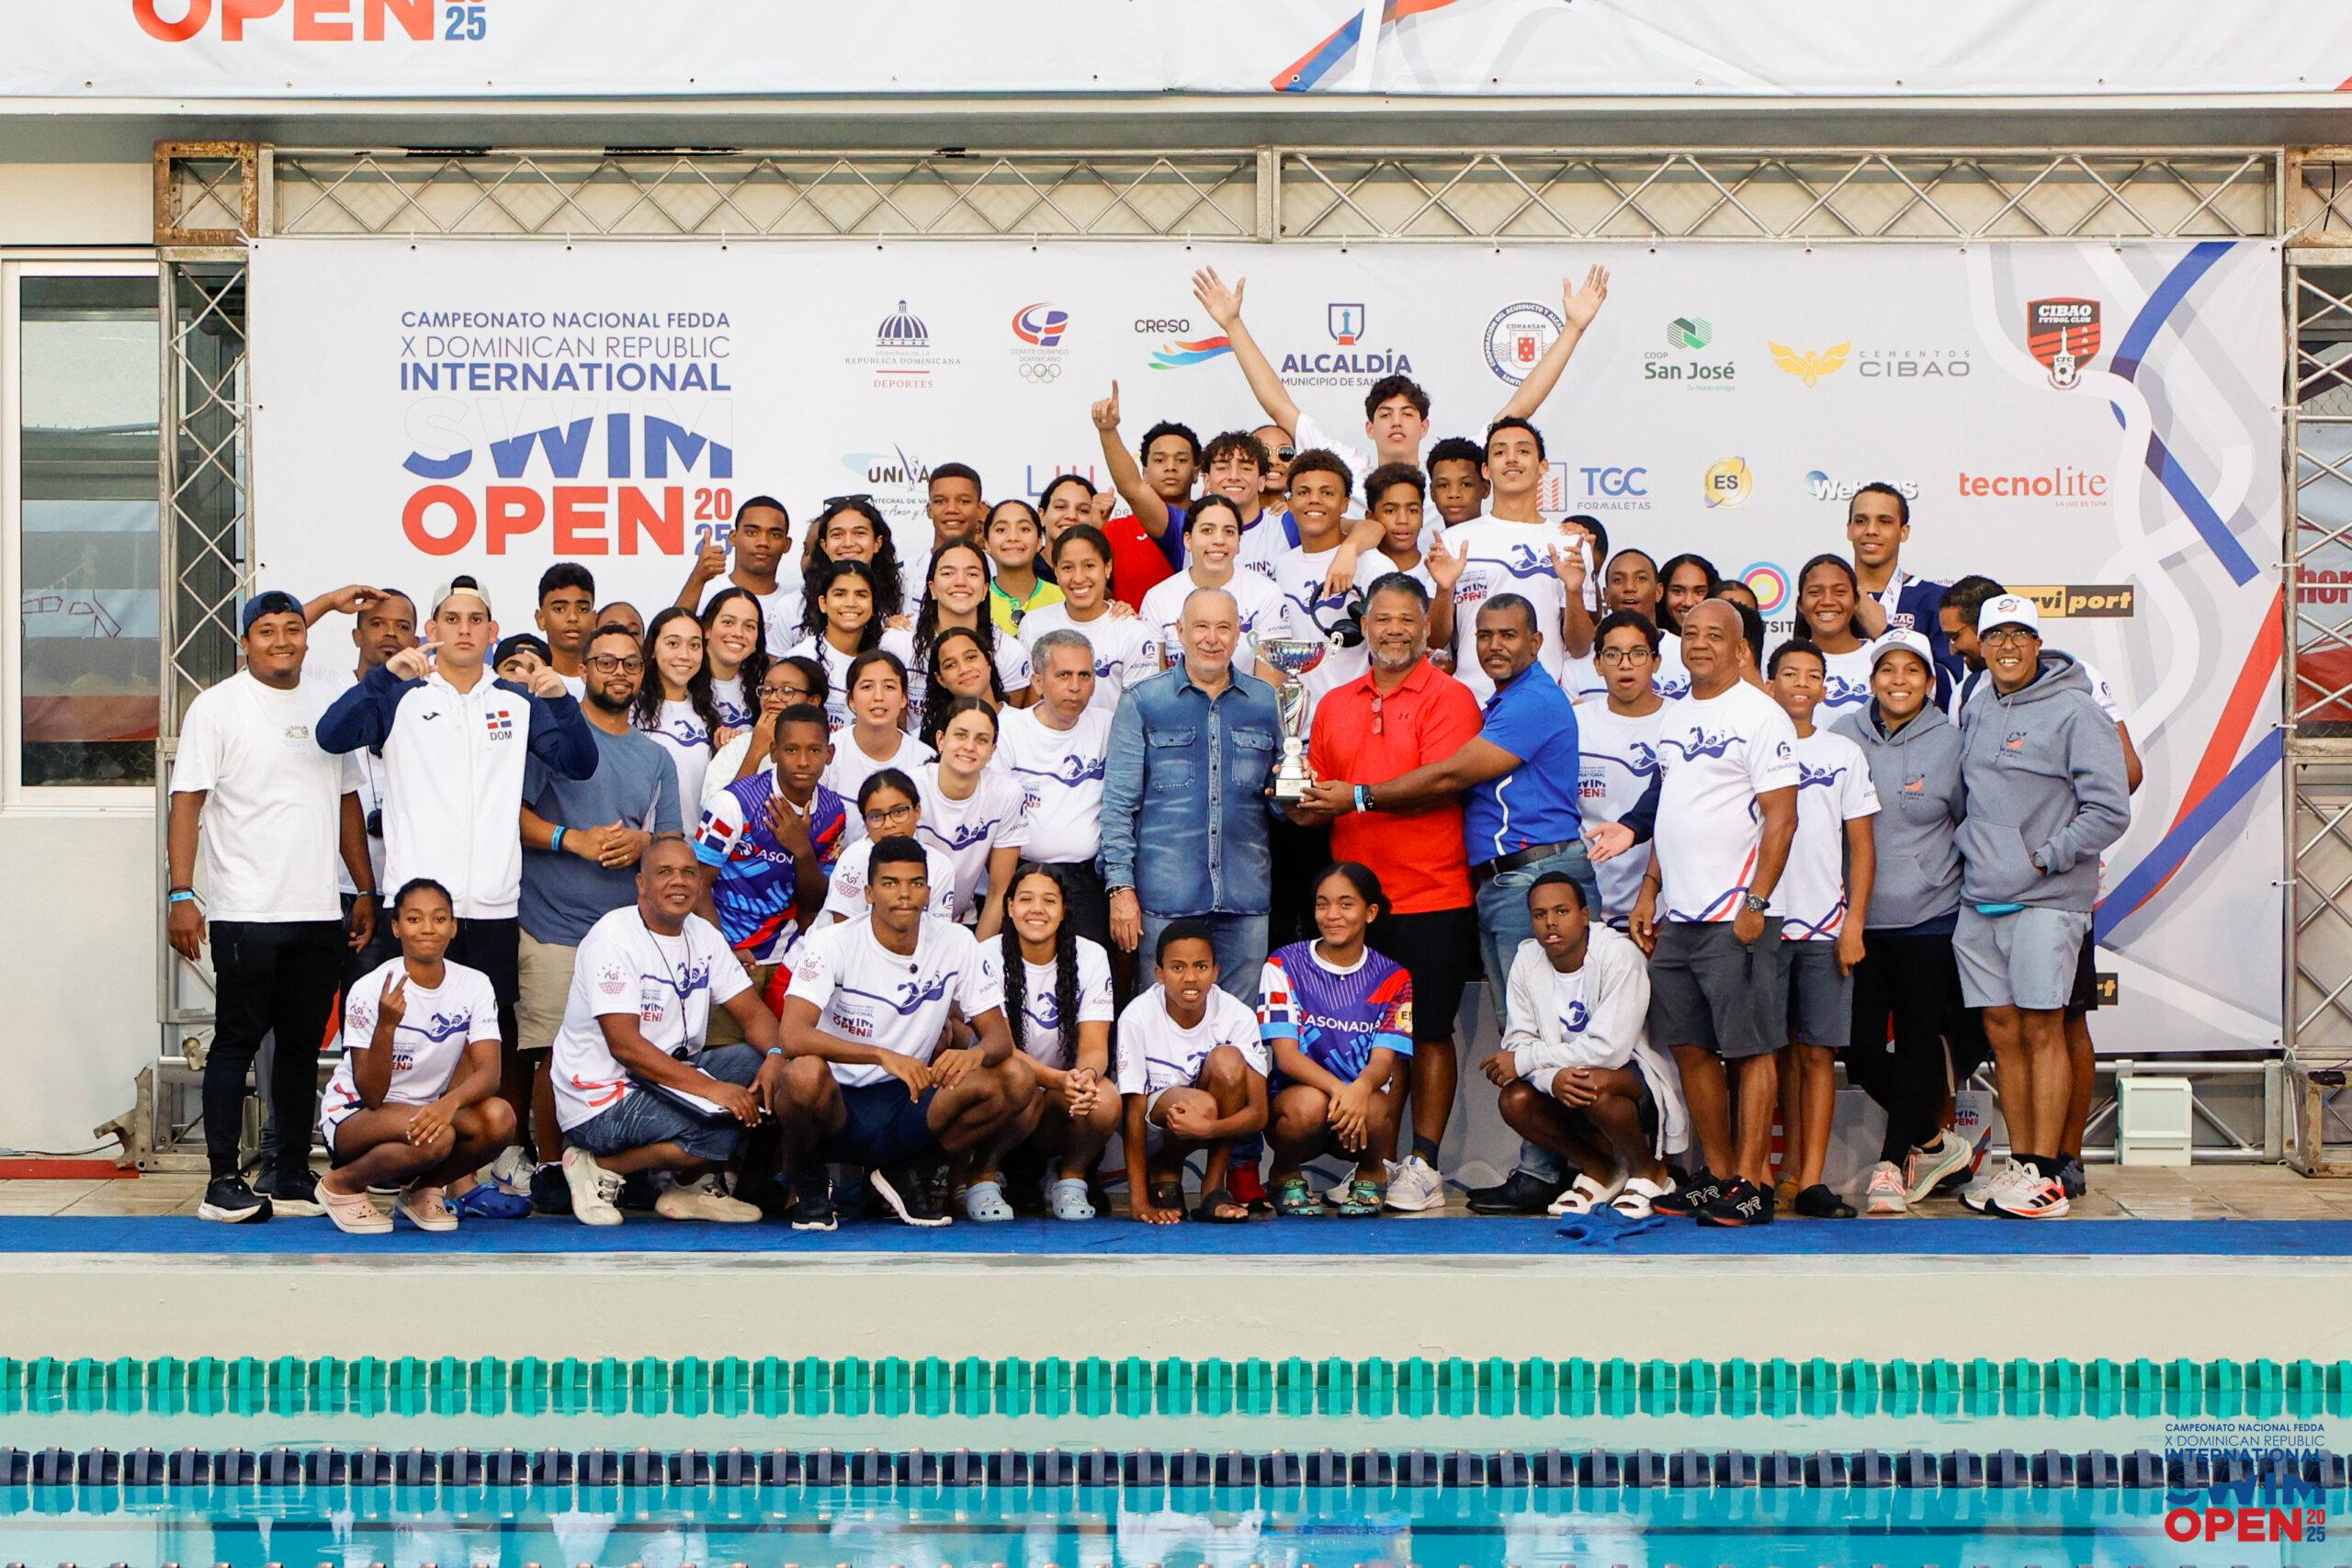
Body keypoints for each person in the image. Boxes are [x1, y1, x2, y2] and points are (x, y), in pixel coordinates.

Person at [318, 575, 599, 1155]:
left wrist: (561, 702)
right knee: (406, 1042)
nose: (464, 629)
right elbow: (330, 735)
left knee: (482, 1044)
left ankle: (470, 1167)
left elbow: (580, 763)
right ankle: (390, 1153)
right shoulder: (402, 696)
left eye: (476, 620)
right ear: (434, 631)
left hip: (493, 907)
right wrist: (382, 680)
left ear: (493, 633)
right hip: (419, 910)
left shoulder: (515, 701)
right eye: (452, 619)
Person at [169, 591, 376, 1223]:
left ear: (307, 639)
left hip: (317, 907)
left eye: (293, 628)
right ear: (245, 642)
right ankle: (222, 1181)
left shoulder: (325, 701)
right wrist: (181, 893)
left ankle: (290, 1172)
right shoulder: (217, 706)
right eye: (266, 631)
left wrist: (365, 888)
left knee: (299, 1048)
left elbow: (346, 802)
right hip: (245, 909)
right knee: (235, 1043)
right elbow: (187, 801)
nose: (282, 639)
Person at [1941, 572, 2143, 1201]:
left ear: (2036, 642)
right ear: (1982, 641)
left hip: (2047, 898)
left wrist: (2044, 858)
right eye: (1995, 633)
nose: (2006, 645)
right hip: (1980, 899)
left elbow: (2111, 807)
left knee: (2043, 1028)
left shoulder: (2077, 709)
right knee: (2003, 1031)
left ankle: (2047, 1170)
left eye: (2018, 634)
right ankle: (2019, 1164)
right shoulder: (1976, 700)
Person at [1287, 576, 1483, 1214]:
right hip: (1356, 907)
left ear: (1427, 629)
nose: (1394, 629)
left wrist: (1359, 797)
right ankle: (1380, 1161)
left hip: (1430, 892)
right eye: (1383, 619)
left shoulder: (1450, 696)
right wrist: (1301, 803)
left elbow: (1442, 782)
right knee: (1377, 1039)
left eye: (1407, 619)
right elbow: (1324, 800)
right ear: (1364, 627)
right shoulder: (1335, 700)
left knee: (1427, 1031)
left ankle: (1423, 1164)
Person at [1606, 599, 1800, 1227]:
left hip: (1738, 911)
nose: (1700, 644)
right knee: (1690, 1046)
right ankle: (1716, 1173)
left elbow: (1782, 816)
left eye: (1715, 635)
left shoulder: (1761, 714)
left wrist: (1757, 901)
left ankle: (1750, 1182)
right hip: (1680, 913)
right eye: (1690, 633)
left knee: (1750, 1050)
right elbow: (1672, 813)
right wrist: (1648, 890)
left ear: (1740, 647)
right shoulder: (1677, 714)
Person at [771, 835, 1035, 1229]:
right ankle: (809, 1181)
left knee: (1017, 1077)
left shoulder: (956, 941)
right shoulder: (832, 942)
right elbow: (791, 1036)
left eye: (915, 883)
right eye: (890, 883)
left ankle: (910, 1171)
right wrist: (880, 1054)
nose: (904, 895)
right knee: (802, 1073)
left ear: (929, 891)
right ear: (869, 892)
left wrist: (973, 1055)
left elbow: (999, 1038)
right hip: (838, 1103)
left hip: (909, 1100)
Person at [508, 621, 684, 1213]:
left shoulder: (656, 756)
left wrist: (643, 845)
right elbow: (513, 818)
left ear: (643, 674)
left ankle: (608, 1168)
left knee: (624, 1054)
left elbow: (673, 842)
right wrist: (571, 839)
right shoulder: (550, 733)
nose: (619, 673)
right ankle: (555, 1170)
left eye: (630, 664)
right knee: (552, 1053)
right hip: (552, 925)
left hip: (628, 938)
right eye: (605, 662)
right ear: (582, 669)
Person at [1188, 264, 1610, 510]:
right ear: (1369, 428)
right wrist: (1232, 324)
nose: (1396, 423)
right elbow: (1277, 403)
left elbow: (1521, 406)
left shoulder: (1453, 472)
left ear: (1424, 427)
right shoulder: (1346, 468)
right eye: (1385, 415)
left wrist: (1573, 328)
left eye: (1408, 414)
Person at [549, 836, 787, 1226]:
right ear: (641, 884)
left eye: (688, 873)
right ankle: (598, 1165)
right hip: (603, 1095)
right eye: (665, 873)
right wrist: (711, 1089)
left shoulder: (703, 934)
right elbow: (625, 1046)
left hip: (669, 1078)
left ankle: (688, 1188)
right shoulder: (613, 938)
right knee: (719, 1130)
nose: (679, 881)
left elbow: (754, 1014)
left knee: (768, 1069)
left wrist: (777, 1058)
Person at [1833, 629, 1976, 1216]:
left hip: (1929, 919)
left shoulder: (1953, 742)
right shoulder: (1840, 735)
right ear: (1871, 680)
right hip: (1856, 920)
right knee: (1860, 1050)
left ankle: (1892, 1166)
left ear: (1930, 680)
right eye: (1887, 670)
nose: (1899, 681)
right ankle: (1936, 1142)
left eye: (1912, 670)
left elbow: (1967, 825)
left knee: (1918, 1042)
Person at [1102, 587, 1283, 997]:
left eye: (1224, 628)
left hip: (1245, 900)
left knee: (1238, 1030)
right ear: (1180, 632)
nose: (1212, 638)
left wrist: (1297, 787)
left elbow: (1280, 807)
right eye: (1200, 626)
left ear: (1240, 635)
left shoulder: (1267, 702)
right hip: (1166, 900)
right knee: (1163, 1030)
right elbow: (1117, 807)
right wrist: (1120, 888)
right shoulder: (1143, 702)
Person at [317, 878, 517, 1234]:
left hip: (427, 1111)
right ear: (395, 927)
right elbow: (372, 1096)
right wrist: (386, 1027)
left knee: (500, 1118)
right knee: (436, 1138)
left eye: (440, 919)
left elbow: (490, 1073)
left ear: (454, 927)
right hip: (356, 1116)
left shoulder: (475, 984)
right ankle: (340, 1184)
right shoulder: (369, 988)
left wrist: (447, 1105)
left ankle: (422, 1190)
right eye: (414, 919)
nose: (428, 928)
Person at [1482, 873, 1686, 1218]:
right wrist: (1551, 1078)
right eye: (1539, 914)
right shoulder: (1526, 958)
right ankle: (1601, 1169)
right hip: (1566, 1081)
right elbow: (1518, 1041)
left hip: (1634, 1081)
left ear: (1585, 914)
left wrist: (1531, 1062)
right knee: (1514, 1100)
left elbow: (1610, 1050)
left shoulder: (1620, 954)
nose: (1550, 923)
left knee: (1593, 1082)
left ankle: (1649, 1171)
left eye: (1561, 911)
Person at [1763, 637, 1879, 1220]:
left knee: (1816, 1055)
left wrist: (1854, 920)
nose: (1802, 684)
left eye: (1813, 675)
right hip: (1759, 923)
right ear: (1769, 682)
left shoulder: (1843, 754)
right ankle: (1766, 1174)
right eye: (1789, 674)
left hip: (1823, 926)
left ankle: (1810, 1179)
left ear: (1826, 687)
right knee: (1764, 1054)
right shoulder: (1748, 747)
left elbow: (1861, 846)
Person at [1259, 863, 1413, 1219]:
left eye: (1346, 904)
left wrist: (1360, 1089)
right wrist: (1343, 1091)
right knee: (1308, 1105)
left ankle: (1372, 1171)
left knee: (1376, 1106)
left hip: (1360, 1112)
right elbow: (1286, 1057)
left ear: (1370, 912)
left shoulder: (1394, 977)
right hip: (1299, 1101)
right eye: (1322, 904)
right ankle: (1284, 1174)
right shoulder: (1283, 963)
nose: (1332, 915)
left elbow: (1383, 1061)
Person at [692, 704, 847, 1032]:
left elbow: (815, 903)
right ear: (774, 752)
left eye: (814, 750)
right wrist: (724, 949)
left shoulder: (834, 811)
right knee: (729, 1059)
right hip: (729, 953)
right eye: (791, 750)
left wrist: (802, 850)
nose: (803, 761)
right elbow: (696, 883)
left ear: (830, 754)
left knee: (782, 1058)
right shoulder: (732, 802)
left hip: (788, 958)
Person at [1118, 919, 1270, 1225]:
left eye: (1201, 967)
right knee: (1200, 1104)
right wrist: (1138, 1203)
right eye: (1177, 968)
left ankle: (1213, 1190)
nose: (1190, 978)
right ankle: (1163, 1168)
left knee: (1228, 1060)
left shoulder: (1237, 1015)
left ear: (1216, 971)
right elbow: (1133, 1109)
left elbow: (1258, 1113)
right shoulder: (1137, 1015)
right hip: (1154, 1127)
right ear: (1158, 973)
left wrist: (1210, 1129)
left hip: (1206, 1123)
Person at [995, 862, 1119, 1220]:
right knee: (1016, 1079)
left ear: (1064, 910)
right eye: (1026, 899)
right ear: (1009, 907)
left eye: (1049, 900)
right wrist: (1058, 1080)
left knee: (1106, 1097)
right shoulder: (986, 955)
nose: (1037, 909)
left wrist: (1084, 1078)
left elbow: (1096, 1045)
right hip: (1005, 1096)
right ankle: (984, 1175)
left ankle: (1072, 1177)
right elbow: (1001, 1047)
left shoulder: (1091, 956)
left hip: (1057, 1100)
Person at [1436, 420, 1587, 704]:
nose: (1512, 459)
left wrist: (1574, 590)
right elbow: (1436, 639)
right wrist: (1444, 589)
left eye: (1523, 451)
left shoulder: (1570, 543)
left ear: (1543, 466)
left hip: (1541, 701)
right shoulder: (1454, 541)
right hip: (1469, 702)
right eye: (1500, 452)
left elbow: (1579, 647)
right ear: (1486, 469)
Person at [990, 630, 1116, 960]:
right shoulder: (1008, 731)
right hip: (1022, 876)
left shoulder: (1110, 726)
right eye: (1063, 675)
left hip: (1088, 883)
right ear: (1037, 681)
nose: (1075, 686)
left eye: (1084, 675)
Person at [1574, 611, 1669, 928]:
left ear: (1656, 662)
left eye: (1638, 654)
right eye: (1613, 654)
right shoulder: (1574, 723)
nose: (1625, 664)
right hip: (1590, 907)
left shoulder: (1681, 722)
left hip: (1665, 909)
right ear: (1598, 664)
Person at [1016, 525, 1162, 717]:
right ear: (1056, 573)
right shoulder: (1033, 624)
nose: (1078, 578)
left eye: (1089, 566)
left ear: (1107, 568)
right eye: (1068, 568)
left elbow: (1142, 713)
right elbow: (1029, 707)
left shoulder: (1132, 631)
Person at [1136, 496, 1283, 682]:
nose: (1219, 540)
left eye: (1229, 532)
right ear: (1188, 540)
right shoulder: (1157, 598)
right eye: (1207, 530)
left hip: (1247, 710)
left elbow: (1268, 690)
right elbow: (1155, 687)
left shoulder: (1267, 593)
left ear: (1239, 543)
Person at [917, 697, 1032, 935]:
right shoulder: (910, 787)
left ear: (993, 751)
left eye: (982, 740)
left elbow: (998, 893)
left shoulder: (1007, 794)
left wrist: (975, 960)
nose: (970, 746)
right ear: (940, 740)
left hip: (962, 922)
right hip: (908, 921)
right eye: (960, 735)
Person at [1845, 482, 1959, 696]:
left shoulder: (1934, 600)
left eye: (1884, 522)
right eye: (1861, 521)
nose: (1871, 530)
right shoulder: (1829, 598)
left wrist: (1885, 634)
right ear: (1849, 530)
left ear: (1903, 532)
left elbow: (1952, 691)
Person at [910, 539, 1031, 732]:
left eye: (972, 574)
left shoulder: (1010, 651)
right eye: (948, 573)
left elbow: (1008, 726)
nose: (960, 582)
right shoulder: (899, 638)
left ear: (985, 589)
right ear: (932, 587)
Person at [790, 560, 917, 730]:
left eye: (861, 595)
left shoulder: (886, 654)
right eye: (840, 594)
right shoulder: (800, 659)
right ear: (823, 603)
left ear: (873, 604)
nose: (851, 603)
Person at [821, 770, 959, 925]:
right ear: (865, 822)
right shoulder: (855, 858)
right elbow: (844, 928)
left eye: (899, 812)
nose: (889, 824)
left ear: (917, 811)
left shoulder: (940, 865)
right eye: (876, 816)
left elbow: (936, 930)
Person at [675, 494, 801, 658]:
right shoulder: (705, 592)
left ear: (787, 544)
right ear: (733, 538)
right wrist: (698, 578)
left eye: (775, 535)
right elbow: (669, 638)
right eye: (752, 532)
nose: (763, 542)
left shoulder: (796, 601)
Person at [820, 649, 933, 829]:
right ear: (851, 700)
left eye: (889, 687)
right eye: (867, 687)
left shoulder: (925, 760)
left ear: (904, 698)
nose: (878, 697)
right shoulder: (828, 752)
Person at [1091, 391, 1202, 569]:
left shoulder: (1209, 523)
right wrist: (1108, 430)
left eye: (1181, 460)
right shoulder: (1115, 530)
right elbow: (1130, 487)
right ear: (1145, 473)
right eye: (1160, 460)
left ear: (1196, 472)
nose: (1170, 467)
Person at [704, 656, 824, 807]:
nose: (773, 698)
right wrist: (755, 751)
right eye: (767, 689)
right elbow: (716, 810)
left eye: (787, 691)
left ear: (813, 701)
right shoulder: (738, 745)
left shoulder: (827, 749)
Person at [633, 606, 720, 814]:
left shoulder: (709, 713)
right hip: (642, 842)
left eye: (694, 645)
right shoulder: (630, 710)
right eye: (673, 643)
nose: (684, 655)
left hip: (696, 843)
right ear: (653, 649)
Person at [1043, 467, 1170, 604]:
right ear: (1041, 515)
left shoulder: (1111, 571)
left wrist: (1093, 533)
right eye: (1060, 507)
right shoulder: (1027, 567)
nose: (1071, 516)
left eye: (1083, 510)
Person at [807, 495, 915, 623]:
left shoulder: (906, 596)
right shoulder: (793, 607)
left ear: (877, 543)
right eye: (837, 534)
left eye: (859, 533)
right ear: (824, 545)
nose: (848, 543)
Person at [1793, 555, 1875, 720]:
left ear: (1856, 601)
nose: (1828, 601)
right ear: (1800, 605)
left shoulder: (1879, 657)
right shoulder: (1781, 664)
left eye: (1840, 592)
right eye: (1815, 592)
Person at [981, 499, 1066, 635]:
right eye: (1001, 529)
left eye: (1024, 529)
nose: (1013, 537)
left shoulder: (1065, 598)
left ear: (1039, 542)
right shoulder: (976, 601)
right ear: (987, 543)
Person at [919, 626, 1009, 749]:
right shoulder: (925, 739)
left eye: (971, 657)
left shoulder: (1024, 724)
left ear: (988, 660)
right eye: (950, 665)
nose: (964, 669)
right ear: (940, 679)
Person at [699, 585, 770, 735]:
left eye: (749, 626)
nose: (738, 633)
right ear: (706, 629)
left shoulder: (763, 689)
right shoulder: (683, 685)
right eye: (728, 622)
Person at [534, 563, 596, 698]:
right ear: (541, 619)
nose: (573, 618)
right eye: (560, 609)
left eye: (583, 609)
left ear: (594, 619)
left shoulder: (608, 683)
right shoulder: (530, 682)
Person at [1426, 437, 1488, 529]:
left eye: (1466, 484)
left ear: (1485, 489)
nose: (1454, 494)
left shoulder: (1502, 541)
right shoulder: (1426, 541)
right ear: (1432, 492)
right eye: (1443, 485)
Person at [1657, 554, 1720, 640]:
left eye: (1699, 592)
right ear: (1661, 592)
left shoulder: (1729, 645)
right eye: (1678, 591)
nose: (1688, 603)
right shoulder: (1647, 642)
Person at [927, 462, 988, 548]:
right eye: (940, 501)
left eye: (963, 501)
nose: (951, 509)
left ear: (980, 509)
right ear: (929, 510)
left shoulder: (993, 562)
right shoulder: (911, 562)